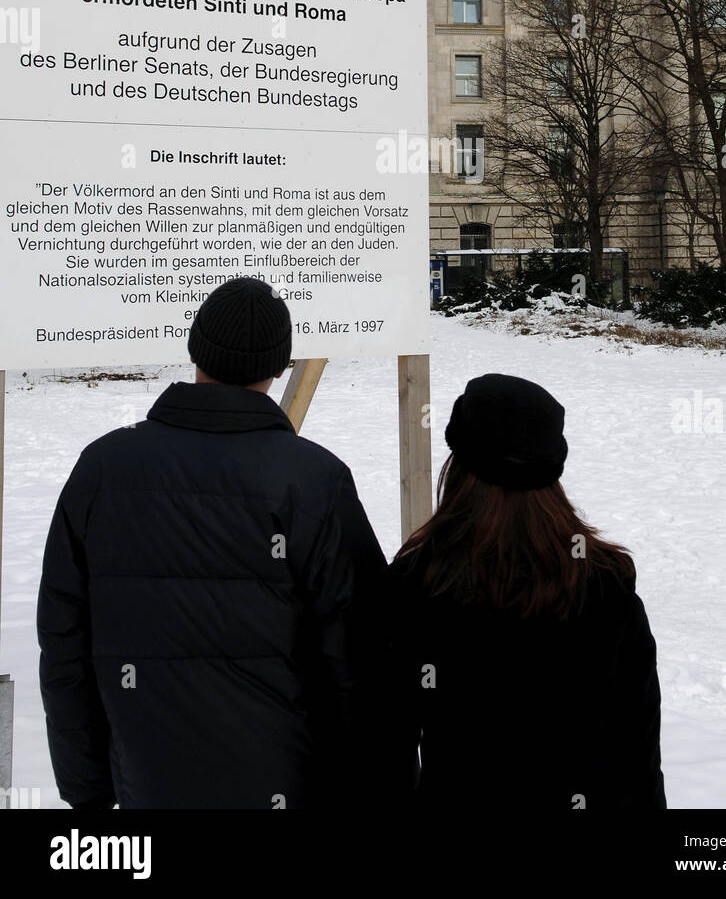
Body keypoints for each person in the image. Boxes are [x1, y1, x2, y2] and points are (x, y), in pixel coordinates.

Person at [37, 276, 390, 809]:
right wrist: (367, 789)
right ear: (279, 366)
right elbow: (358, 655)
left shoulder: (105, 466)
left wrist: (87, 787)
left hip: (146, 781)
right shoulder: (314, 479)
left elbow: (65, 640)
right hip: (285, 781)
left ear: (195, 348)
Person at [384, 372, 667, 810]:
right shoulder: (605, 583)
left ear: (457, 468)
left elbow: (388, 747)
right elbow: (638, 747)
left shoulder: (418, 582)